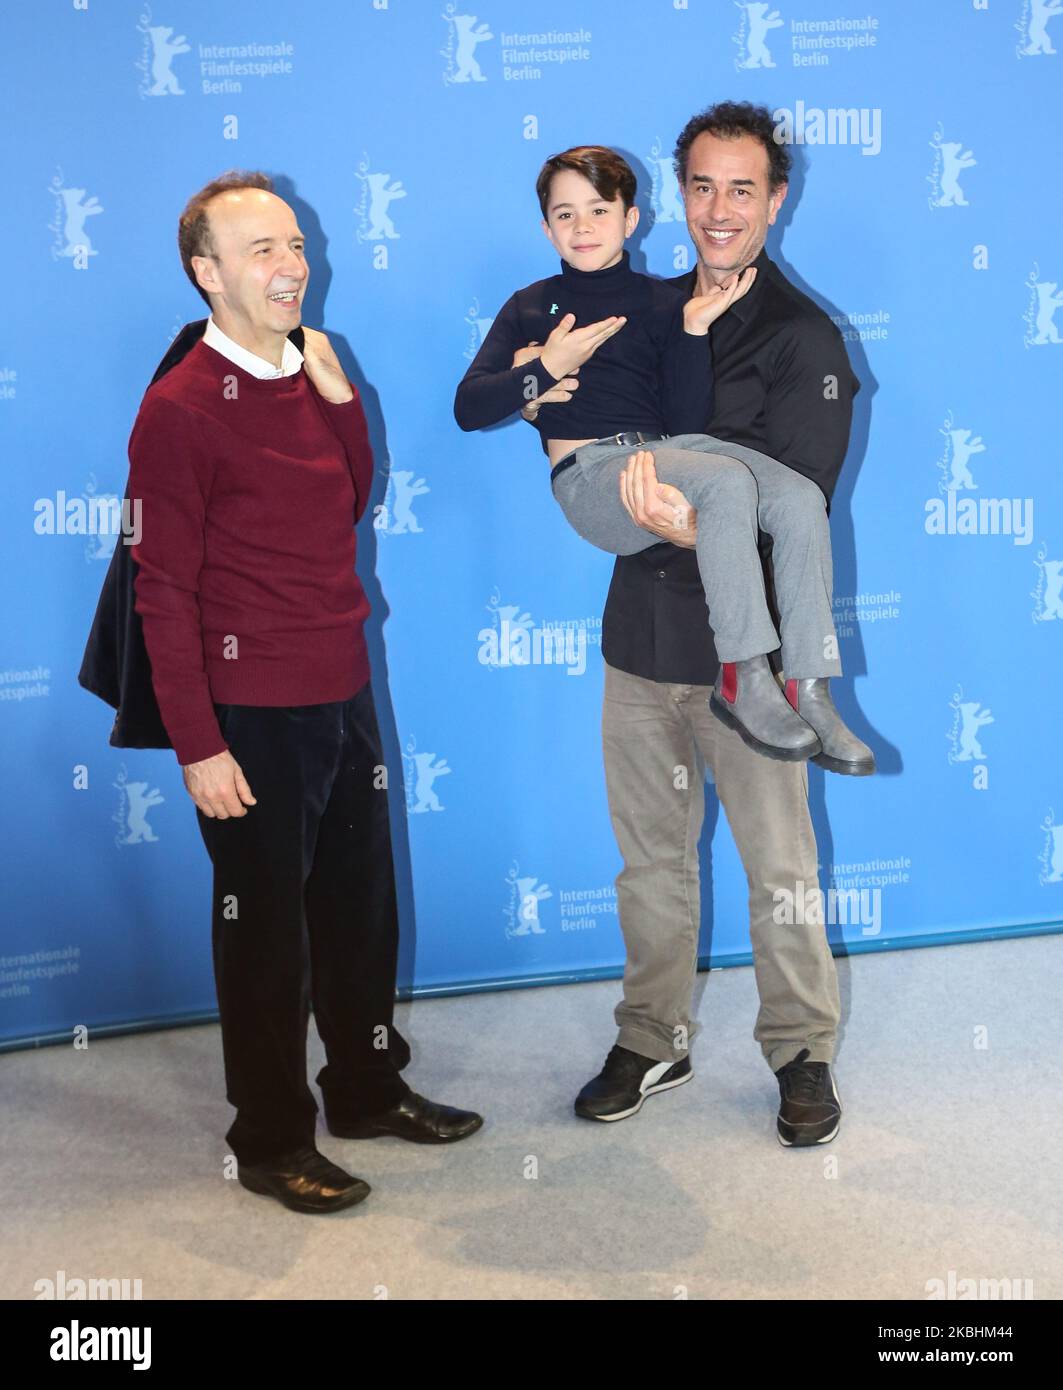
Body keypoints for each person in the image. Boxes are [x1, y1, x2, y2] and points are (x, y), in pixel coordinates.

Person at [126, 169, 482, 1213]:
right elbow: (163, 589)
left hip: (341, 684)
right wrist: (196, 743)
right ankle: (270, 1138)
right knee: (266, 936)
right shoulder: (180, 408)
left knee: (358, 913)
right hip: (250, 710)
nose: (291, 267)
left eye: (294, 245)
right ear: (207, 273)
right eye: (261, 251)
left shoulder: (309, 366)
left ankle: (367, 1090)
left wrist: (341, 401)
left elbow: (349, 498)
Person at [516, 104, 862, 1145]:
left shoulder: (806, 338)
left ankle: (801, 1052)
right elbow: (574, 439)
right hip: (638, 647)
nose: (719, 210)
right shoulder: (645, 309)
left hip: (739, 659)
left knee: (781, 870)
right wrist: (550, 411)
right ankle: (651, 1034)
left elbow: (797, 503)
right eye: (702, 187)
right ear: (678, 195)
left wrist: (674, 510)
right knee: (650, 866)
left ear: (775, 201)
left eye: (742, 190)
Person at [454, 145, 872, 770]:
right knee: (729, 483)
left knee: (797, 497)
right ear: (545, 228)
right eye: (564, 215)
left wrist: (694, 331)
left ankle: (808, 683)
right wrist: (541, 372)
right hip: (590, 474)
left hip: (662, 452)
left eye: (599, 210)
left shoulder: (661, 303)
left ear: (631, 219)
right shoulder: (529, 305)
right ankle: (742, 674)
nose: (583, 227)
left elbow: (682, 421)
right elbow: (469, 407)